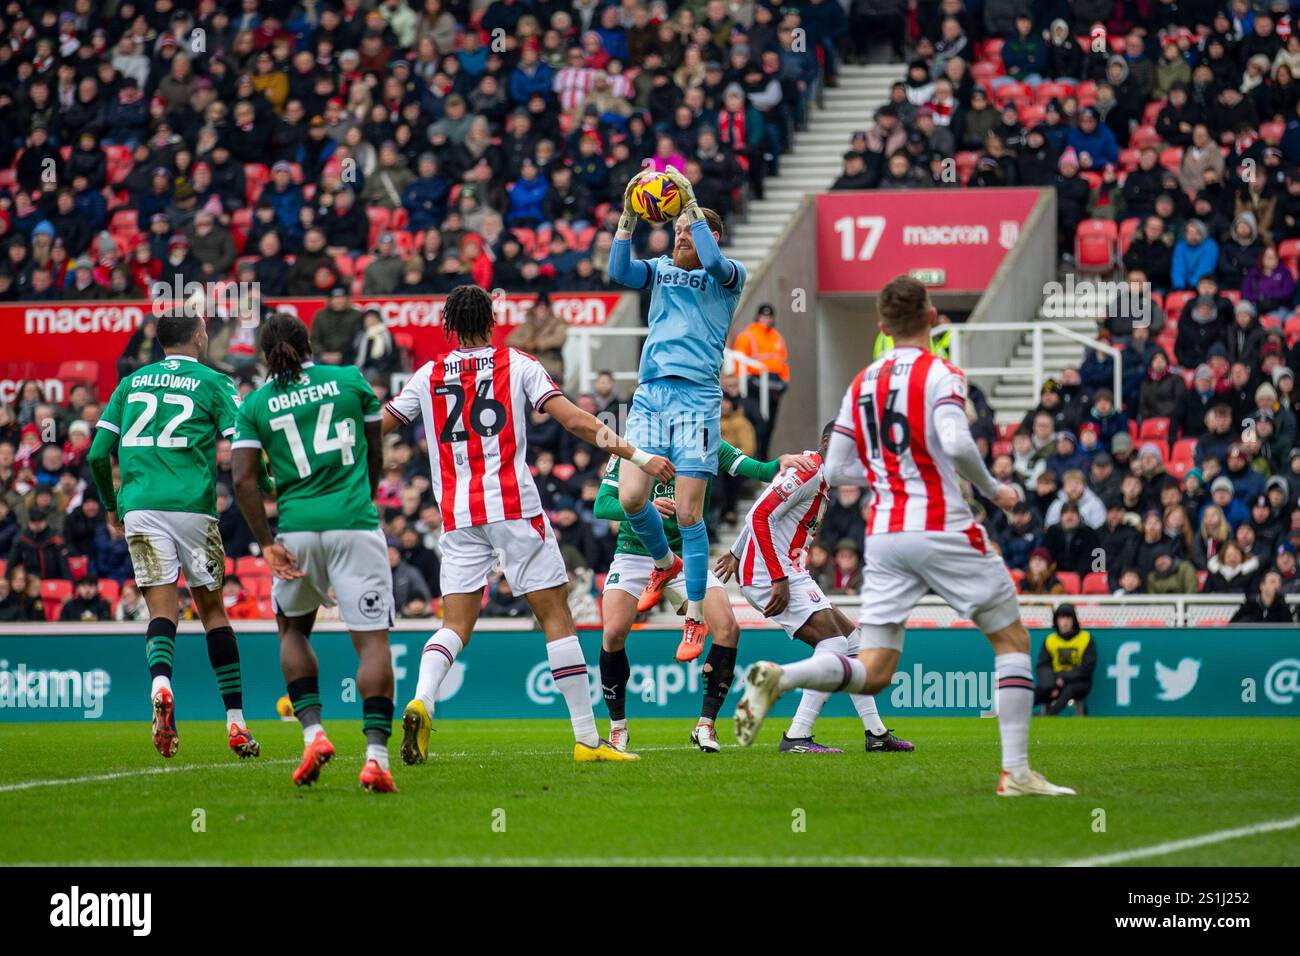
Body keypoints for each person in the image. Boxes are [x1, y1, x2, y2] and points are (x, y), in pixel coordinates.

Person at [732, 275, 1074, 796]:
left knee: (873, 665)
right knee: (1011, 638)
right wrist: (992, 488)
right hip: (940, 520)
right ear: (933, 317)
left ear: (882, 327)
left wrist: (887, 476)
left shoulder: (862, 383)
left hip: (886, 533)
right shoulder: (942, 372)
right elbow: (957, 444)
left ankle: (785, 676)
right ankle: (1017, 772)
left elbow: (840, 467)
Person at [382, 284, 673, 764]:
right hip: (513, 508)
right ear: (492, 322)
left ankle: (423, 699)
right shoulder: (517, 364)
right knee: (556, 615)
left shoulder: (427, 375)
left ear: (450, 328)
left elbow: (378, 428)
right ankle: (586, 740)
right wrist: (637, 454)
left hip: (457, 515)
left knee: (455, 623)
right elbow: (577, 422)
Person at [231, 313, 397, 793]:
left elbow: (242, 479)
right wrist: (362, 496)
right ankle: (375, 759)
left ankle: (313, 734)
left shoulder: (255, 404)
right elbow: (374, 450)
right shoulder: (349, 380)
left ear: (266, 356)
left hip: (298, 531)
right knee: (371, 643)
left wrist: (266, 543)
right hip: (356, 525)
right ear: (309, 344)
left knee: (293, 631)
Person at [87, 310, 261, 761]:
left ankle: (161, 685)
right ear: (200, 336)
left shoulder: (130, 383)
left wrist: (112, 503)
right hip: (193, 509)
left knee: (162, 610)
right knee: (212, 612)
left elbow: (96, 453)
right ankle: (236, 723)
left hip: (141, 507)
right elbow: (240, 445)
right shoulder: (214, 382)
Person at [594, 437, 816, 753]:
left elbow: (757, 469)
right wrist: (644, 508)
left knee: (727, 628)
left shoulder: (706, 440)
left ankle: (705, 725)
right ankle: (618, 728)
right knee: (613, 633)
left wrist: (782, 464)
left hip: (687, 554)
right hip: (635, 552)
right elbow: (602, 504)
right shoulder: (635, 447)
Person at [608, 167, 745, 660]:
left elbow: (711, 257)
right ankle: (663, 563)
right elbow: (620, 272)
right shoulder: (661, 268)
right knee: (630, 498)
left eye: (687, 231)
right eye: (678, 230)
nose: (679, 237)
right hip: (650, 395)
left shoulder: (727, 276)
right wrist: (627, 219)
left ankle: (692, 617)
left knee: (688, 512)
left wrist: (690, 208)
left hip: (698, 400)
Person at [719, 422, 913, 754]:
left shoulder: (818, 474)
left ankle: (876, 734)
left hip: (786, 570)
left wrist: (737, 551)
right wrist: (777, 575)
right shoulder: (809, 470)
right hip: (771, 574)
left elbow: (759, 508)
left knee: (853, 641)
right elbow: (760, 516)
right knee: (835, 642)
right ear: (827, 443)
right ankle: (797, 735)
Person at [731, 302, 790, 457]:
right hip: (755, 385)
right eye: (763, 315)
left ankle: (763, 460)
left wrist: (784, 381)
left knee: (769, 426)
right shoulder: (748, 335)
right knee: (758, 424)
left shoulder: (777, 338)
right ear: (757, 316)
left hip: (773, 385)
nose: (766, 319)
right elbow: (739, 361)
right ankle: (754, 463)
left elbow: (783, 362)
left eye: (769, 316)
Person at [1033, 604, 1096, 716]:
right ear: (1056, 620)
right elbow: (1043, 666)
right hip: (1055, 681)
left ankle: (1048, 717)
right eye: (1062, 618)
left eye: (1068, 618)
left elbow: (1087, 668)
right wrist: (1052, 683)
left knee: (1069, 690)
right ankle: (1010, 713)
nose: (1065, 622)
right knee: (1040, 691)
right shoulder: (1050, 640)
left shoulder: (1085, 638)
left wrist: (1063, 678)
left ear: (1074, 620)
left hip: (1079, 682)